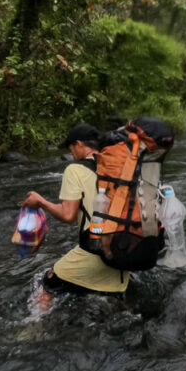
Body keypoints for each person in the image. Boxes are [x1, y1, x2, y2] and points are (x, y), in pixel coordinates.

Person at [21, 122, 129, 296]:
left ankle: (34, 324)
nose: (71, 153)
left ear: (79, 144)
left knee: (46, 285)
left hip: (95, 249)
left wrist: (41, 202)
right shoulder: (118, 169)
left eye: (71, 148)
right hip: (125, 252)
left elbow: (68, 214)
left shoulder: (75, 170)